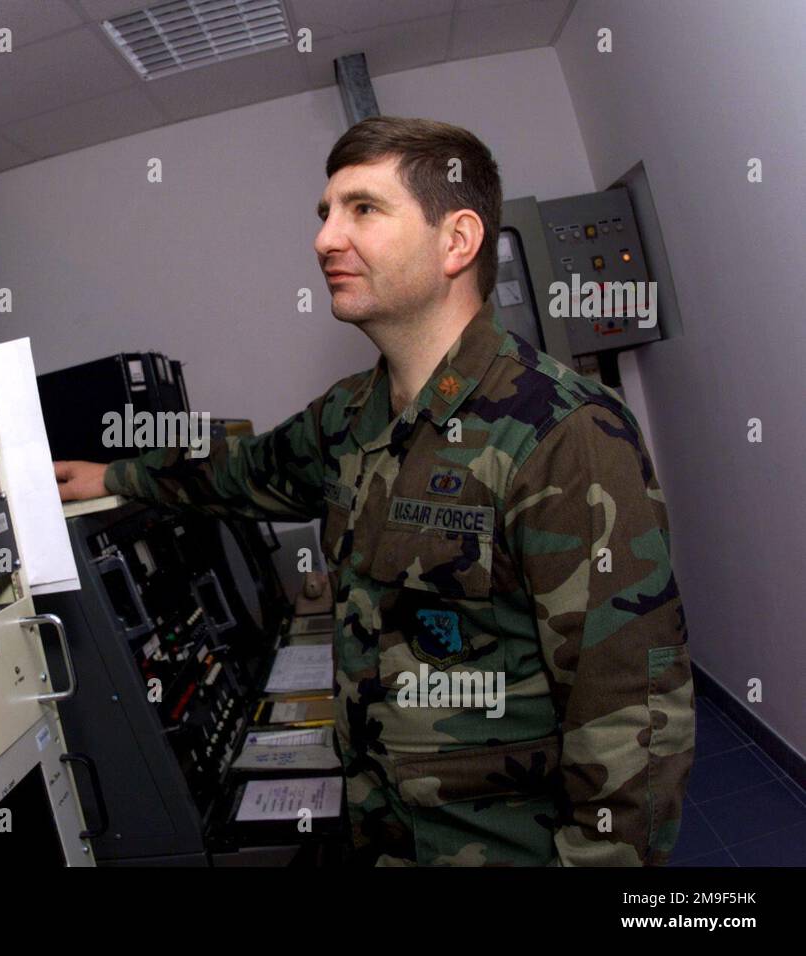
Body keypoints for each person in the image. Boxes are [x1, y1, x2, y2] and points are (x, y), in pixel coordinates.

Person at [54, 116, 693, 866]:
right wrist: (111, 476)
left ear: (457, 241)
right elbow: (243, 473)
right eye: (325, 214)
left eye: (362, 209)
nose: (325, 239)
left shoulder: (565, 432)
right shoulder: (350, 415)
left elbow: (632, 717)